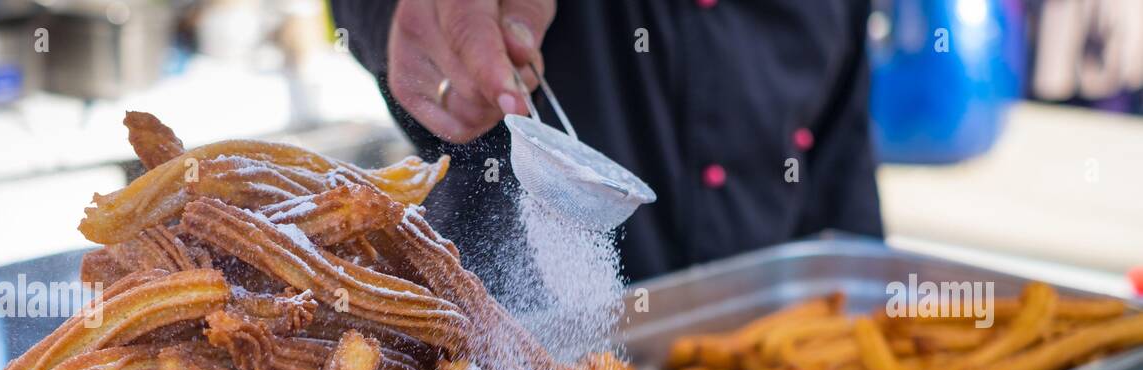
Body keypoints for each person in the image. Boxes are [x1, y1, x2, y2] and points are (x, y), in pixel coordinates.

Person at [330, 0, 883, 284]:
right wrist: (404, 16)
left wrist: (862, 285)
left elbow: (843, 157)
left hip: (764, 344)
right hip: (499, 364)